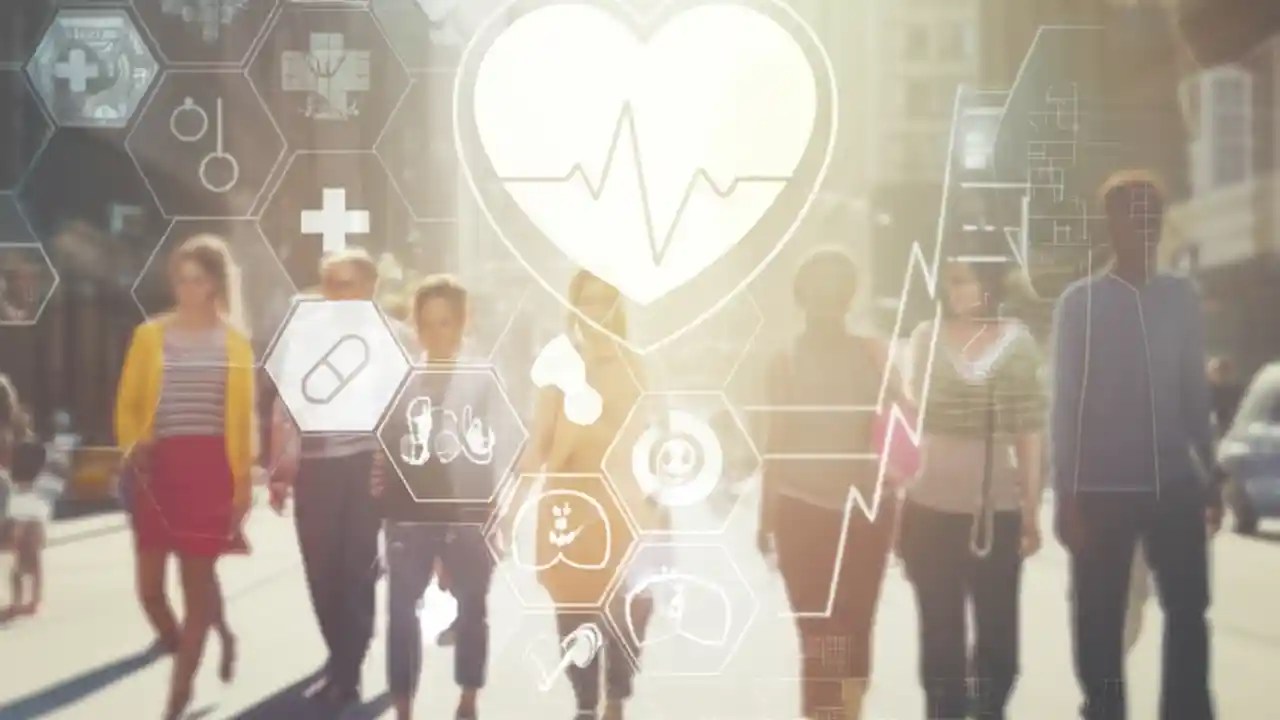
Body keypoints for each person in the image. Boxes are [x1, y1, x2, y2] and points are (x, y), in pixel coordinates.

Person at [1052, 171, 1219, 720]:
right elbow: (1066, 405)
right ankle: (1104, 709)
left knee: (1190, 609)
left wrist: (1212, 475)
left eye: (1153, 215)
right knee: (1098, 616)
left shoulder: (1181, 297)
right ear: (1113, 224)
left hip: (1174, 481)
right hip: (1101, 487)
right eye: (1133, 215)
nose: (1144, 228)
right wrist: (1066, 496)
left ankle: (1187, 711)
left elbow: (1195, 390)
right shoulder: (1080, 304)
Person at [510, 270, 665, 720]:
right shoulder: (559, 363)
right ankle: (584, 703)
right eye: (588, 299)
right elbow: (540, 438)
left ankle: (617, 694)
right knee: (574, 605)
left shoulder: (637, 364)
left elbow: (653, 436)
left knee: (630, 605)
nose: (596, 309)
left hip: (624, 502)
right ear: (575, 307)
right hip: (569, 501)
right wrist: (510, 506)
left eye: (605, 299)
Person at [898, 255, 1045, 719]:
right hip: (929, 508)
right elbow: (913, 414)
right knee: (940, 644)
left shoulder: (1018, 342)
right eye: (950, 282)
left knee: (999, 647)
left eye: (964, 280)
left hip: (995, 511)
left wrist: (1031, 511)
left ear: (990, 283)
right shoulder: (926, 337)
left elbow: (1028, 431)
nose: (954, 290)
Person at [115, 234, 255, 720]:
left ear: (215, 283)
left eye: (196, 279)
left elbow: (243, 422)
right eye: (180, 278)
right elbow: (128, 403)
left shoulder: (235, 343)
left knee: (197, 583)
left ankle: (178, 695)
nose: (185, 288)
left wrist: (243, 487)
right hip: (158, 469)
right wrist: (136, 445)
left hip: (211, 472)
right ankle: (208, 638)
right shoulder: (150, 336)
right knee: (150, 590)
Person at [758, 247, 902, 720]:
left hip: (840, 513)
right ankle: (838, 711)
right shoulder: (858, 354)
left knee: (835, 629)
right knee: (838, 628)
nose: (826, 303)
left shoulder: (864, 353)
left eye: (832, 293)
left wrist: (766, 519)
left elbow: (775, 444)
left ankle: (837, 712)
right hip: (833, 513)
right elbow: (777, 444)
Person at [373, 274, 505, 720]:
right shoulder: (401, 379)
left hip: (467, 514)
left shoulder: (482, 378)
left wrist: (496, 514)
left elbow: (501, 445)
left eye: (445, 322)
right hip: (408, 515)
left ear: (462, 323)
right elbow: (387, 443)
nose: (435, 334)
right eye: (426, 324)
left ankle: (468, 698)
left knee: (472, 608)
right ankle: (403, 707)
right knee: (401, 613)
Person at [266, 248, 393, 709]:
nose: (335, 294)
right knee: (321, 568)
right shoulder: (305, 337)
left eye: (346, 285)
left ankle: (348, 669)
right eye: (329, 284)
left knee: (355, 570)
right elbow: (285, 408)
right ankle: (341, 654)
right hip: (316, 470)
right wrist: (280, 474)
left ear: (369, 288)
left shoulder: (389, 340)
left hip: (363, 467)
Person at [7, 441, 49, 615]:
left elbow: (19, 520)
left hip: (25, 533)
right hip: (36, 530)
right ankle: (34, 600)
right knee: (35, 567)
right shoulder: (39, 490)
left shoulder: (18, 494)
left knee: (17, 571)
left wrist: (15, 537)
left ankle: (18, 602)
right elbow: (41, 514)